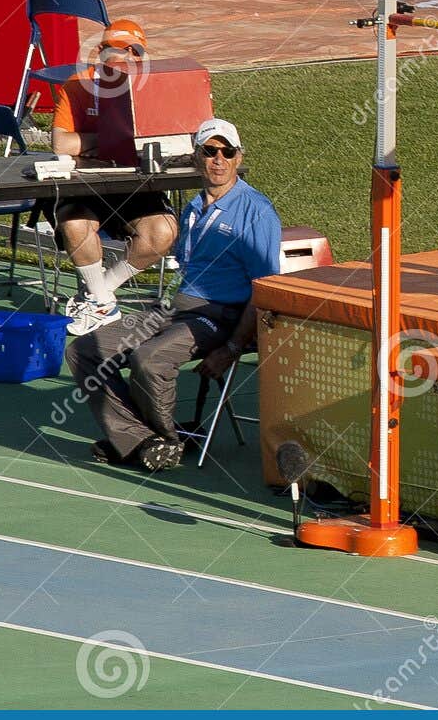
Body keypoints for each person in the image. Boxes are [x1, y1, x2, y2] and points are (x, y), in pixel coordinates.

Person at [66, 118, 282, 472]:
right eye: (210, 151)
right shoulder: (194, 208)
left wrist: (231, 349)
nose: (219, 159)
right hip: (176, 308)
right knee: (84, 351)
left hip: (220, 315)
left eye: (228, 152)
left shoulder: (255, 211)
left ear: (239, 158)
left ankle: (165, 441)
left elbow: (265, 289)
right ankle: (141, 439)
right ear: (196, 157)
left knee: (150, 359)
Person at [49, 18, 180, 335]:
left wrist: (92, 140)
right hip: (86, 188)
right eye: (117, 51)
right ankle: (102, 300)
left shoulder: (151, 86)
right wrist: (110, 139)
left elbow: (168, 137)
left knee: (163, 231)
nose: (125, 59)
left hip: (136, 188)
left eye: (133, 53)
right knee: (74, 223)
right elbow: (61, 143)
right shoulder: (77, 84)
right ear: (100, 51)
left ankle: (99, 295)